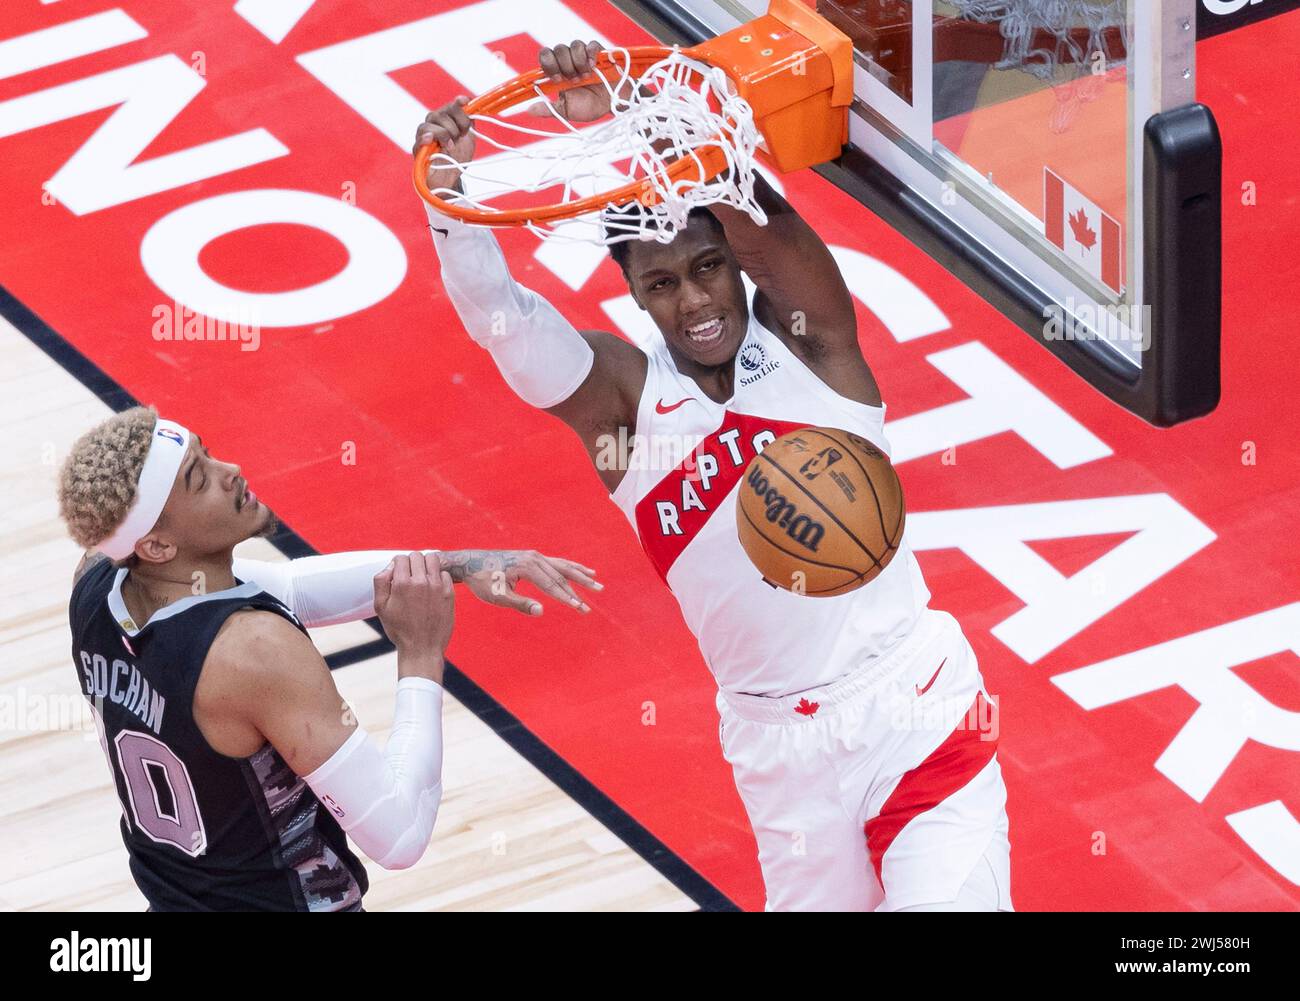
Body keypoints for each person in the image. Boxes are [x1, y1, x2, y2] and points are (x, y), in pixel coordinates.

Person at [413, 40, 1012, 911]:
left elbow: (766, 224)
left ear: (732, 264)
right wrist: (452, 208)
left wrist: (627, 127)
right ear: (635, 296)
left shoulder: (813, 343)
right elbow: (504, 323)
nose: (692, 300)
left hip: (911, 706)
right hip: (780, 755)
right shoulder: (626, 409)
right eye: (661, 284)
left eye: (706, 268)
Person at [59, 405, 601, 911]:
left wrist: (457, 564)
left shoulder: (98, 584)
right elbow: (400, 833)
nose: (231, 471)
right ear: (156, 546)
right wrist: (420, 653)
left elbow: (290, 584)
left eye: (208, 452)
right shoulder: (253, 653)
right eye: (199, 480)